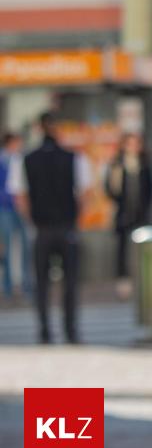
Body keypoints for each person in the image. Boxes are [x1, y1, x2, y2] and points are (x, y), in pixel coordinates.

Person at [6, 113, 90, 344]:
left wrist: (32, 220)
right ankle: (70, 330)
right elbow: (84, 194)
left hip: (41, 227)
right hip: (66, 226)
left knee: (41, 282)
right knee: (70, 282)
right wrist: (74, 220)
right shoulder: (74, 158)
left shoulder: (24, 159)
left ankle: (44, 330)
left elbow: (20, 197)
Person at [105, 133, 152, 288]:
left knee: (144, 247)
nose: (133, 147)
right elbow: (111, 189)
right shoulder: (117, 165)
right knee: (122, 248)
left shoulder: (145, 165)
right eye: (129, 144)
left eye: (136, 143)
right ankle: (123, 280)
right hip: (123, 213)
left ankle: (144, 277)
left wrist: (146, 207)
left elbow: (150, 190)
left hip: (141, 213)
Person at [0, 132, 31, 299]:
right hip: (5, 207)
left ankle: (27, 285)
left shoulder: (23, 159)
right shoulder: (2, 160)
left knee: (27, 245)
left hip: (22, 207)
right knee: (6, 246)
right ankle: (7, 286)